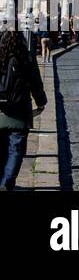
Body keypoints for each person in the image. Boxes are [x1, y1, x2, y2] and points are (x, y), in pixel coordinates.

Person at [0, 29, 48, 190]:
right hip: (20, 111)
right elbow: (36, 83)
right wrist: (41, 102)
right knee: (16, 150)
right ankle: (6, 183)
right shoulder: (26, 57)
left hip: (1, 110)